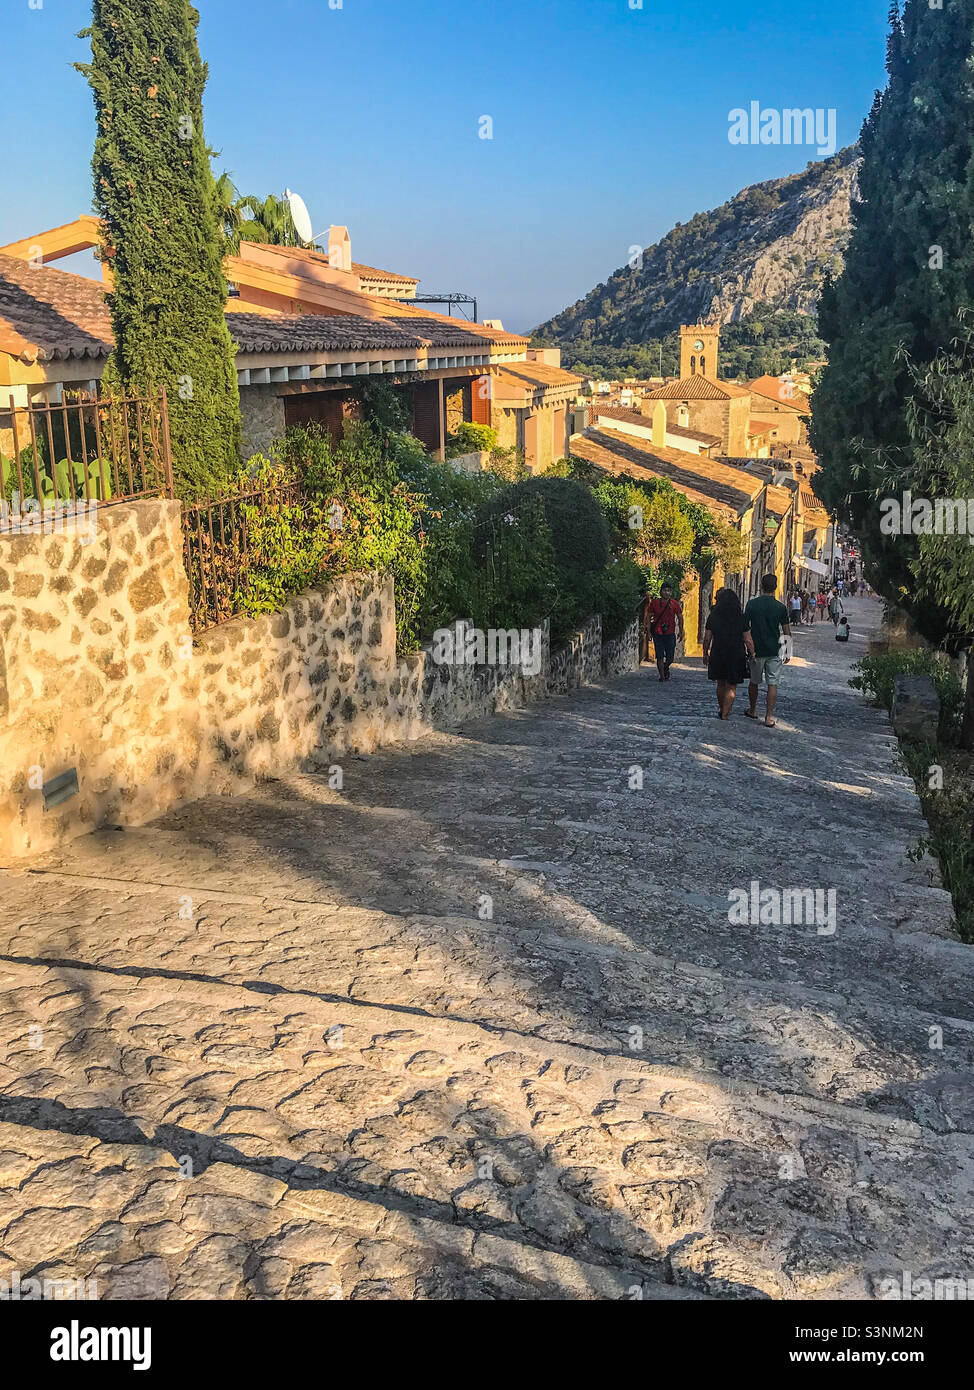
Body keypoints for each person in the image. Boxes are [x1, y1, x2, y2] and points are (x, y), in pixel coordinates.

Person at [743, 573, 791, 728]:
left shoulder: (751, 605)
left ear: (761, 586)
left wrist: (748, 646)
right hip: (774, 650)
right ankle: (769, 717)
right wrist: (787, 651)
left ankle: (752, 709)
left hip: (756, 650)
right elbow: (786, 632)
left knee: (754, 682)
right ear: (775, 588)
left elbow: (745, 628)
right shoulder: (780, 608)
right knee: (773, 684)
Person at [702, 587, 754, 719]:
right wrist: (752, 653)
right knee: (731, 685)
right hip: (736, 653)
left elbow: (707, 637)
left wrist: (705, 653)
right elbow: (747, 639)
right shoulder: (741, 617)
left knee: (720, 682)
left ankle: (721, 708)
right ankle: (725, 713)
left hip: (718, 652)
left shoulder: (713, 616)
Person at [645, 581, 684, 682]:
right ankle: (662, 677)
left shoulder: (674, 604)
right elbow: (648, 616)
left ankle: (666, 668)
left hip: (670, 633)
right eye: (665, 590)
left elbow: (680, 617)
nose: (667, 593)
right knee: (660, 656)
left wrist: (681, 630)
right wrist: (648, 631)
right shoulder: (655, 603)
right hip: (658, 634)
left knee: (670, 657)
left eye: (668, 591)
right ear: (661, 592)